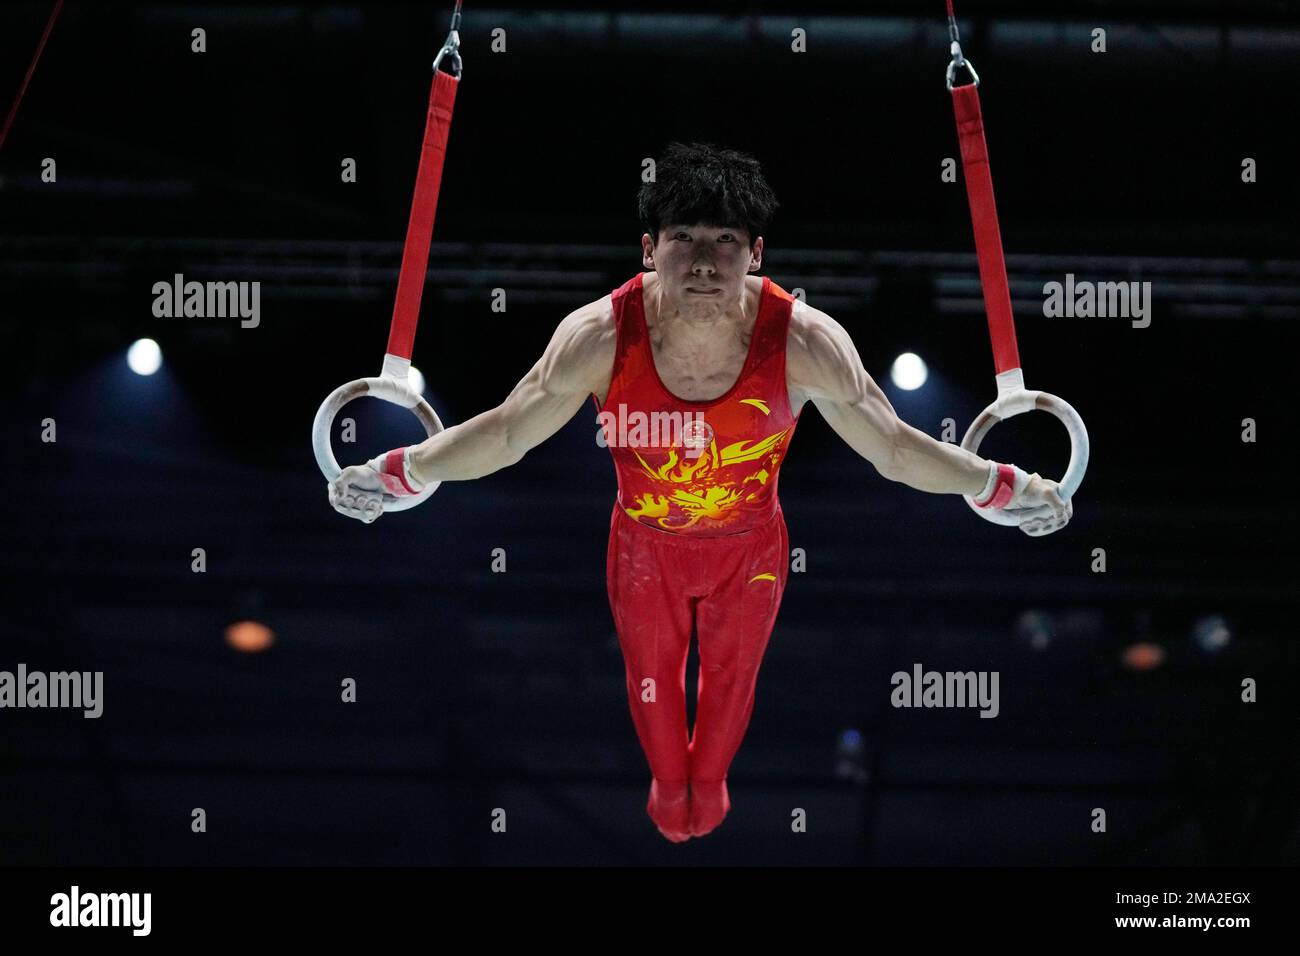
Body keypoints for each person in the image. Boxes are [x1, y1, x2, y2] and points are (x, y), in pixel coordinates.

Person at [328, 142, 1072, 842]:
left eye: (726, 241)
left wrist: (1000, 484)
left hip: (748, 554)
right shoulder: (597, 336)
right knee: (651, 691)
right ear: (649, 251)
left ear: (757, 254)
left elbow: (896, 450)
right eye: (685, 238)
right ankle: (670, 787)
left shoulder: (806, 342)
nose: (707, 263)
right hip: (642, 554)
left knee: (728, 690)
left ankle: (707, 785)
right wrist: (402, 468)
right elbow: (507, 433)